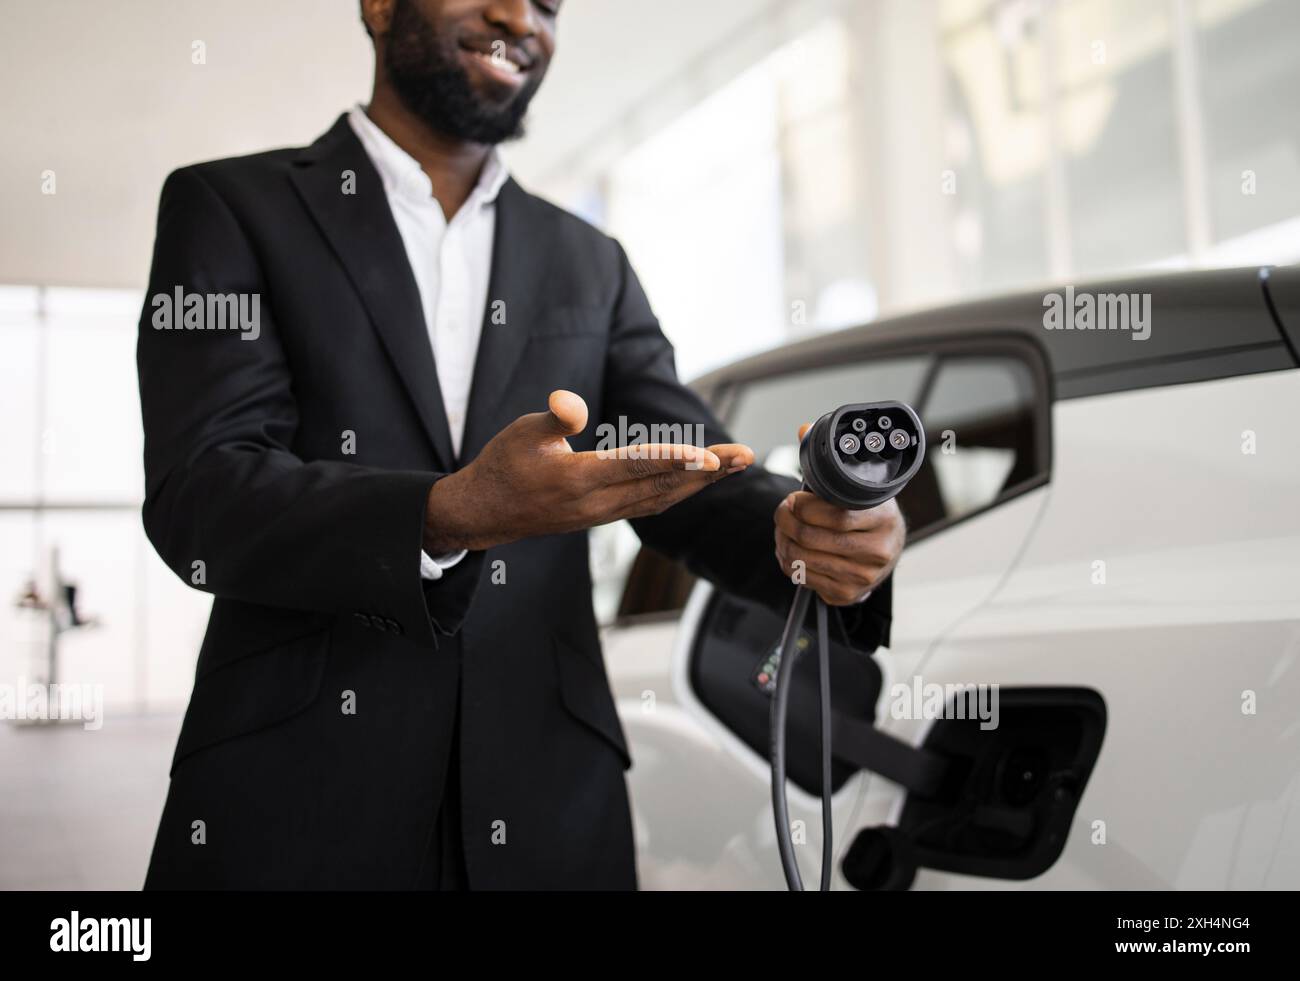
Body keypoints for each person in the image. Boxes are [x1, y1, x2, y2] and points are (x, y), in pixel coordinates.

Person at [138, 0, 905, 890]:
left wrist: (805, 528)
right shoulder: (232, 208)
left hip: (549, 798)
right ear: (379, 6)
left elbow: (686, 463)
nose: (520, 16)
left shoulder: (590, 259)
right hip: (294, 794)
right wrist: (451, 512)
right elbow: (204, 490)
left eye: (548, 2)